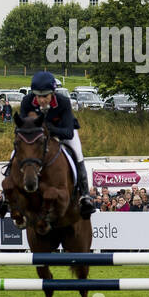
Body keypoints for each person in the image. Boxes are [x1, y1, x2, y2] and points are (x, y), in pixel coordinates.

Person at [18, 70, 95, 216]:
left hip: (62, 133)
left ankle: (85, 195)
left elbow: (68, 132)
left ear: (52, 93)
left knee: (78, 154)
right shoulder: (27, 101)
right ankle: (4, 196)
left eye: (45, 96)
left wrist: (48, 130)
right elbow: (22, 126)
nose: (41, 100)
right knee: (16, 152)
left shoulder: (63, 102)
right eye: (38, 96)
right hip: (37, 138)